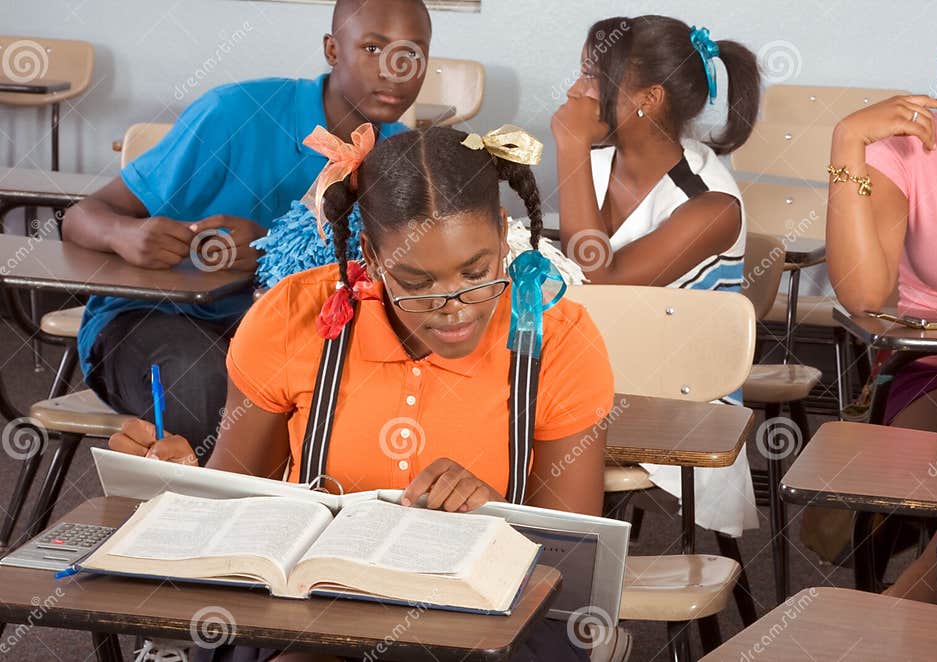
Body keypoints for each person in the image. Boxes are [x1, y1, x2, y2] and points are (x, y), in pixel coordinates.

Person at [109, 125, 616, 661]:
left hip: (485, 626)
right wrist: (180, 483)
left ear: (503, 230)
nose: (455, 307)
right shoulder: (294, 316)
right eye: (417, 283)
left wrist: (494, 516)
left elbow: (572, 562)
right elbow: (237, 497)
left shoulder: (554, 338)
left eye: (478, 271)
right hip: (315, 619)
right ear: (371, 256)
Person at [61, 0, 430, 461]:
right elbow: (81, 216)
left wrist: (269, 251)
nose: (394, 70)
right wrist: (125, 235)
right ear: (333, 50)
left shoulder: (403, 157)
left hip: (291, 337)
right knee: (207, 384)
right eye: (372, 48)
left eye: (412, 53)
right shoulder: (233, 114)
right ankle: (211, 518)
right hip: (156, 321)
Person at [552, 15, 761, 537]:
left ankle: (563, 582)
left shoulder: (711, 203)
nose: (577, 91)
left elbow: (597, 277)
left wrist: (569, 148)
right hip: (600, 377)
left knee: (528, 429)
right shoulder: (600, 167)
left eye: (593, 78)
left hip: (680, 400)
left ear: (648, 98)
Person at [826, 10, 937, 612]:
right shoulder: (909, 149)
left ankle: (899, 615)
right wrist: (848, 141)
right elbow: (865, 295)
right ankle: (906, 612)